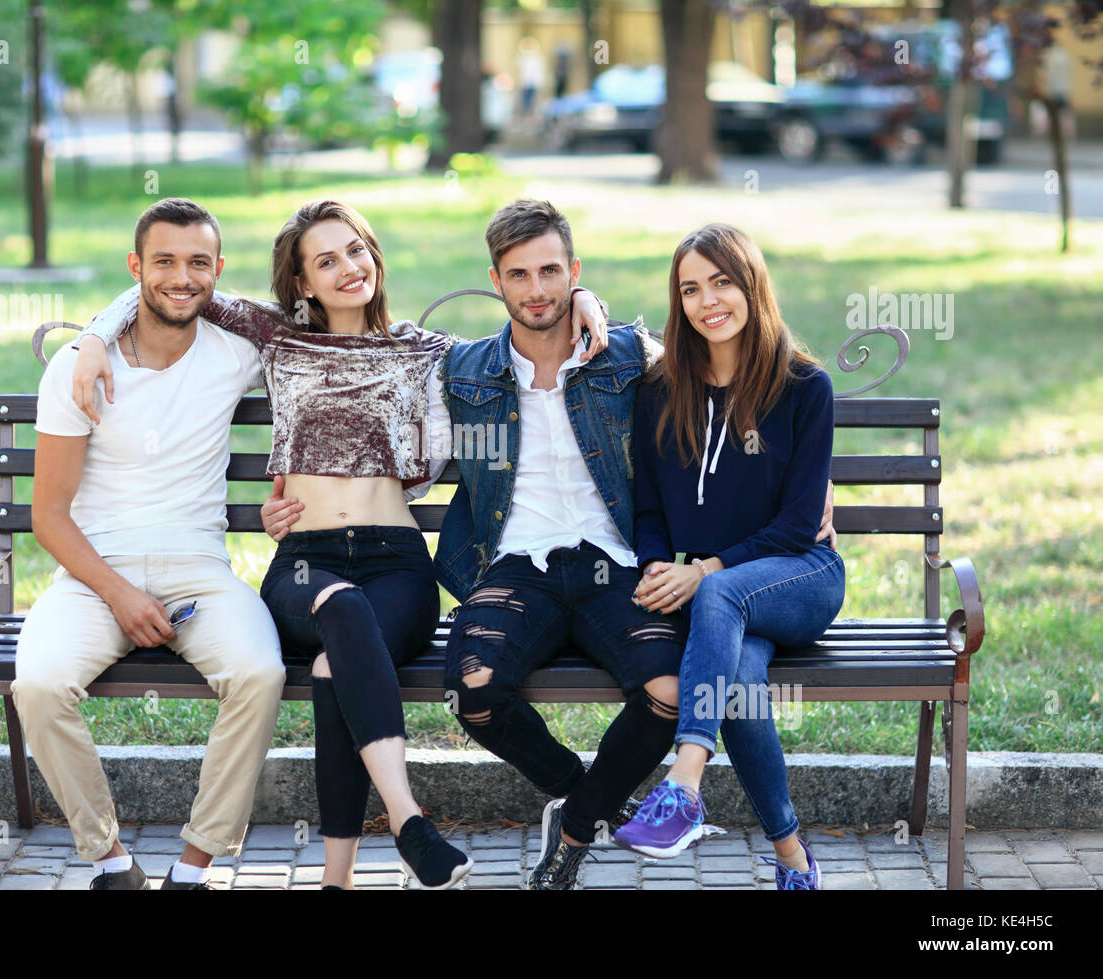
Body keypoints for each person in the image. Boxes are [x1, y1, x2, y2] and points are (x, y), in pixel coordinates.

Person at [267, 199, 835, 891]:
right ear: (495, 280)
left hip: (614, 566)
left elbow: (723, 375)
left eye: (551, 271)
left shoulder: (627, 355)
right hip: (514, 568)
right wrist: (298, 490)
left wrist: (814, 493)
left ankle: (571, 832)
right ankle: (588, 797)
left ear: (574, 272)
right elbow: (396, 445)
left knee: (667, 690)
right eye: (519, 274)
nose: (537, 290)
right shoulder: (463, 370)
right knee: (472, 691)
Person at [71, 199, 610, 889]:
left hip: (399, 570)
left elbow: (530, 321)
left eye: (356, 249)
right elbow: (178, 287)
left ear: (375, 255)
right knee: (342, 613)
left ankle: (337, 881)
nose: (348, 267)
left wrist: (585, 295)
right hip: (306, 564)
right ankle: (408, 818)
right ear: (301, 283)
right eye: (326, 260)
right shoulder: (276, 337)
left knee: (334, 668)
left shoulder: (425, 349)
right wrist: (93, 336)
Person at [12, 197, 286, 890]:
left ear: (219, 272)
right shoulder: (78, 368)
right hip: (92, 575)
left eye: (199, 263)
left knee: (259, 672)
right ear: (135, 267)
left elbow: (327, 325)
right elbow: (48, 514)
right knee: (38, 684)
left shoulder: (238, 350)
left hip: (199, 568)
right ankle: (109, 860)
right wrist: (119, 594)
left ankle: (196, 865)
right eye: (163, 261)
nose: (181, 277)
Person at [613, 223, 845, 891]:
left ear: (751, 285)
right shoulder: (661, 390)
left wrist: (703, 571)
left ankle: (683, 785)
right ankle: (794, 855)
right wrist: (661, 564)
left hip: (802, 575)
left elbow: (802, 522)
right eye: (691, 288)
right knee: (739, 684)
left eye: (722, 281)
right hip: (717, 596)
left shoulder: (804, 385)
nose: (708, 300)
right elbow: (649, 505)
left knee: (720, 593)